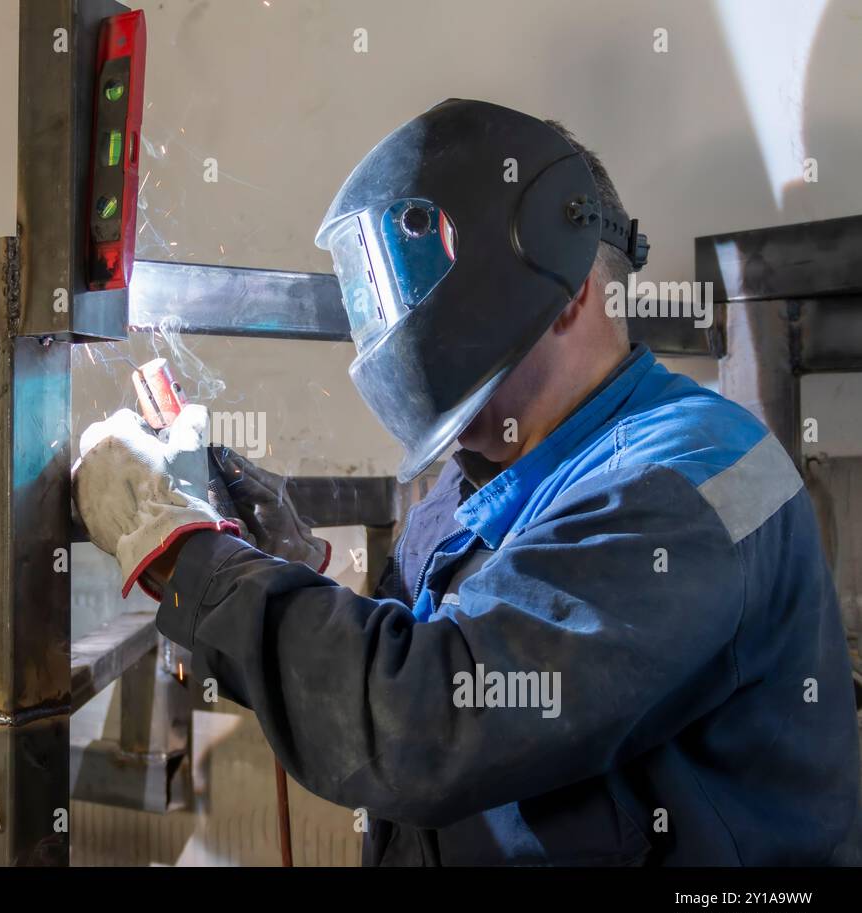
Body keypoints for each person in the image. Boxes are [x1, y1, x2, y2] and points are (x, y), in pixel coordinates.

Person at [72, 99, 861, 865]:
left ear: (571, 281)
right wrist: (285, 565)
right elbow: (429, 647)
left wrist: (186, 556)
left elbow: (424, 721)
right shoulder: (480, 473)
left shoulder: (694, 480)